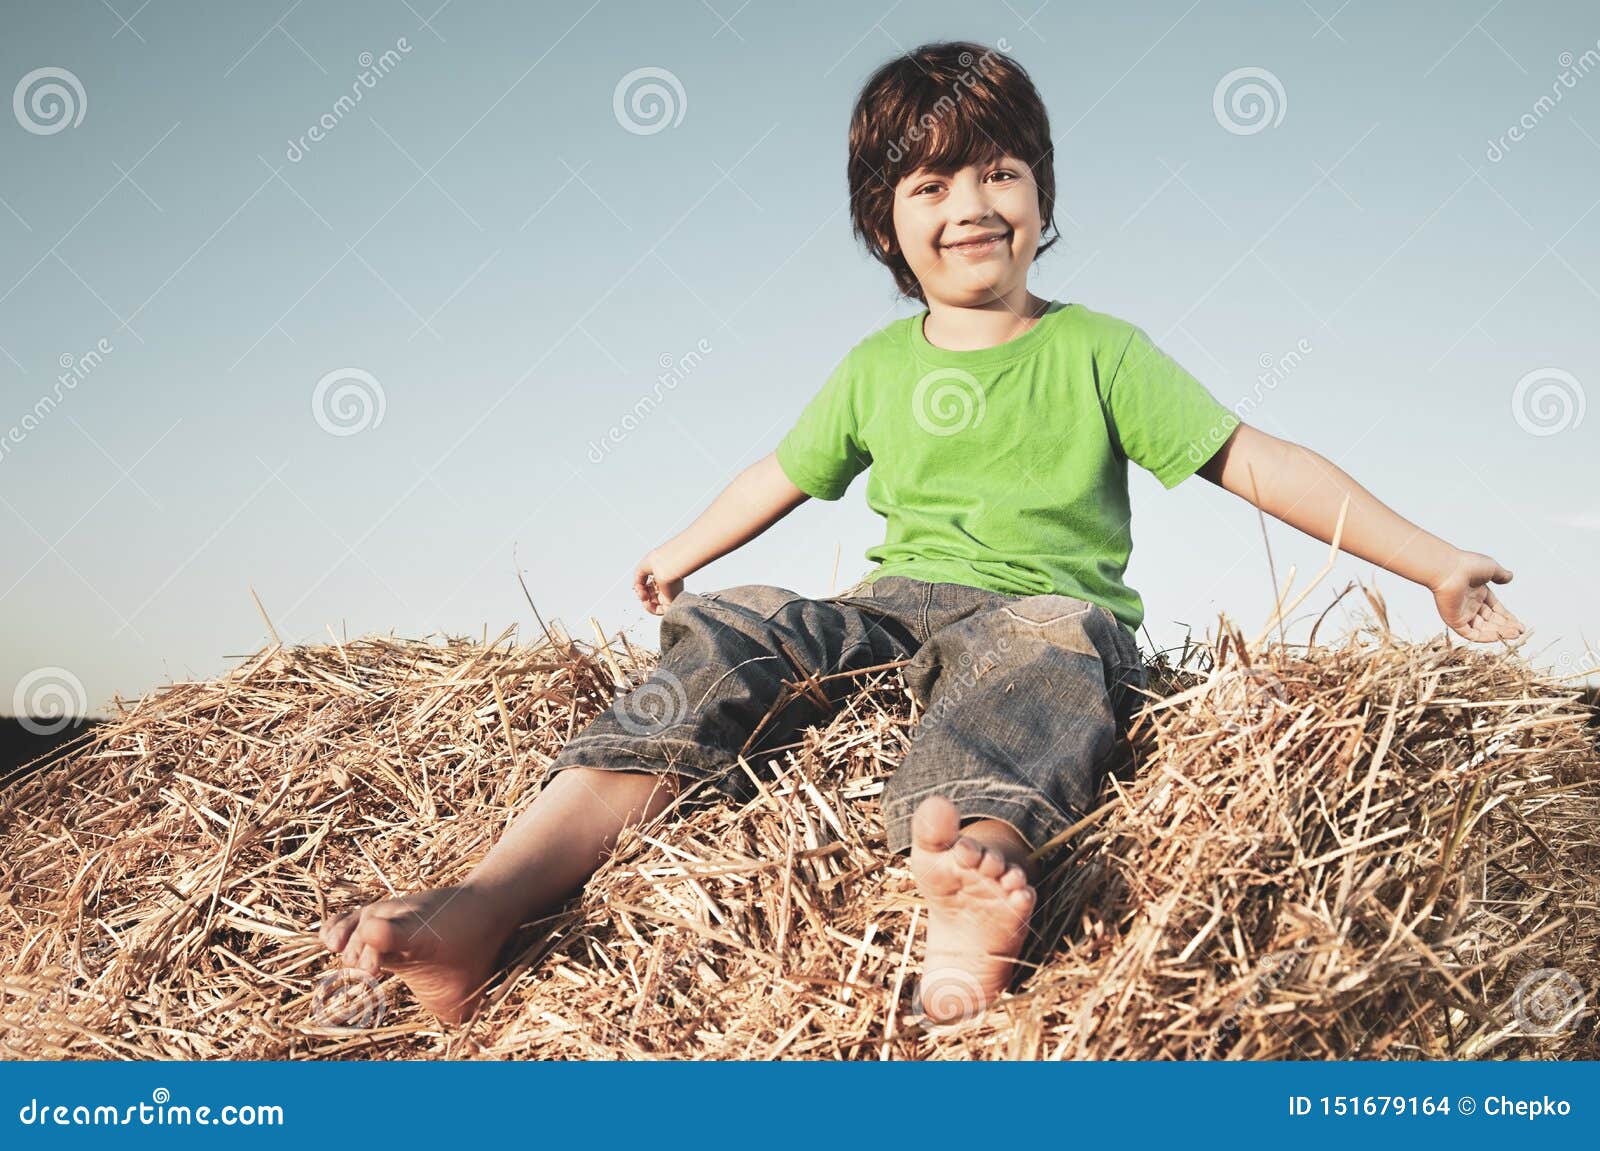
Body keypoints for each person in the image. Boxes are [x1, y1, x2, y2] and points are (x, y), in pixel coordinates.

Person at [319, 40, 1524, 1026]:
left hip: (1040, 605)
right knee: (731, 628)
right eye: (930, 186)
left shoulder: (1098, 349)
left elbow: (1254, 459)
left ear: (1041, 192)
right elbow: (781, 471)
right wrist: (686, 551)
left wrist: (1431, 561)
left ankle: (972, 882)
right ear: (883, 226)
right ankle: (485, 899)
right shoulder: (874, 365)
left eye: (997, 172)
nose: (970, 207)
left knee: (1038, 663)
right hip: (895, 601)